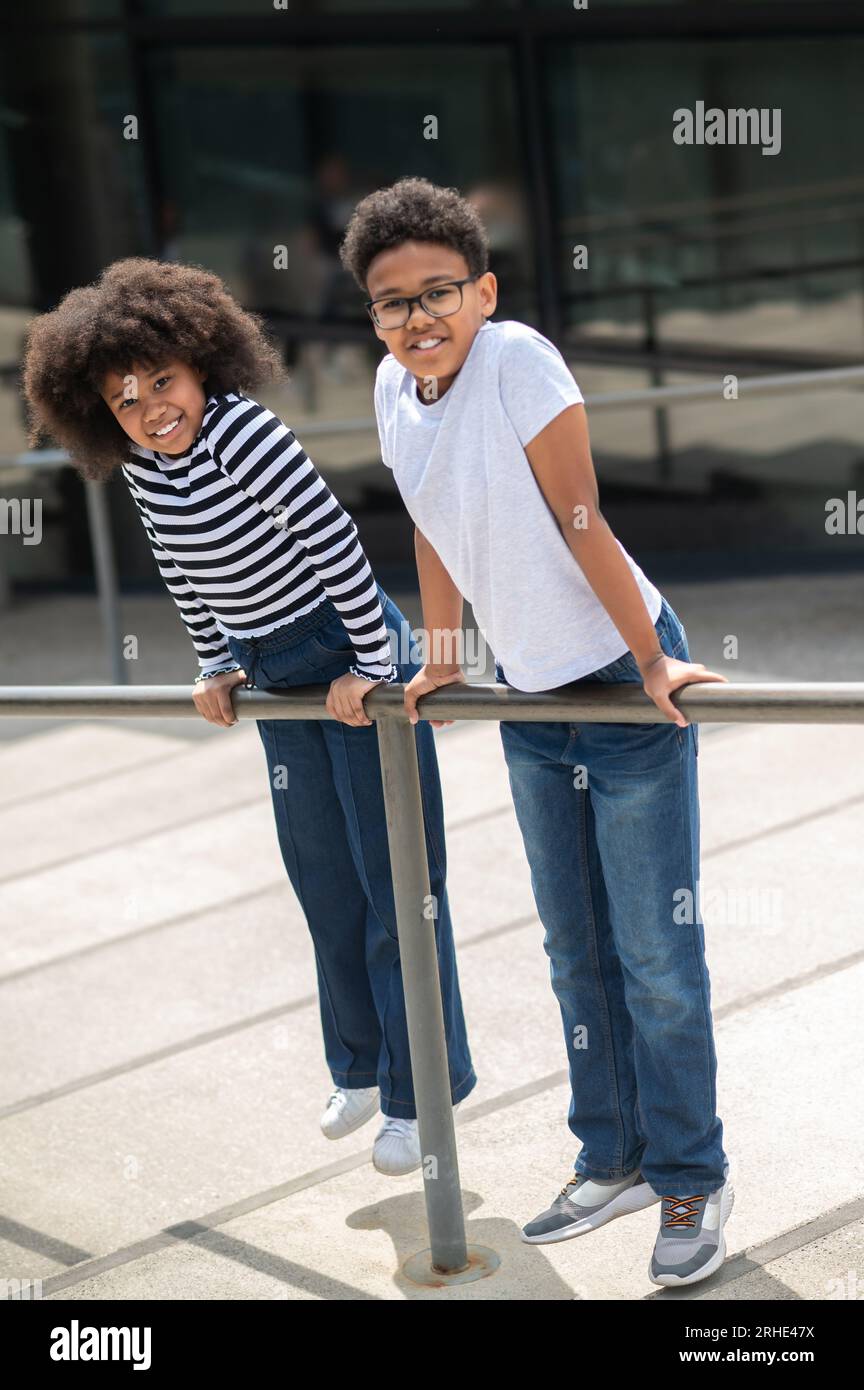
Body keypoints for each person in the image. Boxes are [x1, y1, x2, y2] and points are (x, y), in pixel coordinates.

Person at [339, 176, 734, 1287]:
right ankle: (611, 1156)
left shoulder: (516, 360)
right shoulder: (389, 386)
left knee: (655, 953)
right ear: (371, 317)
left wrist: (653, 662)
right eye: (391, 302)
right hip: (529, 700)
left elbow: (579, 516)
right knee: (573, 950)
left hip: (613, 670)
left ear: (484, 289)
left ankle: (691, 1172)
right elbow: (434, 528)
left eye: (439, 293)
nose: (418, 318)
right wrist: (445, 660)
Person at [21, 255, 476, 1176]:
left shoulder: (244, 436)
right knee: (321, 878)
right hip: (271, 670)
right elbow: (185, 574)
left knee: (396, 884)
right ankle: (356, 1067)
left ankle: (416, 1095)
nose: (152, 410)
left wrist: (372, 666)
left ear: (201, 365)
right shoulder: (149, 472)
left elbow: (336, 545)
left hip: (341, 646)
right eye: (124, 401)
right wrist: (217, 666)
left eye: (163, 382)